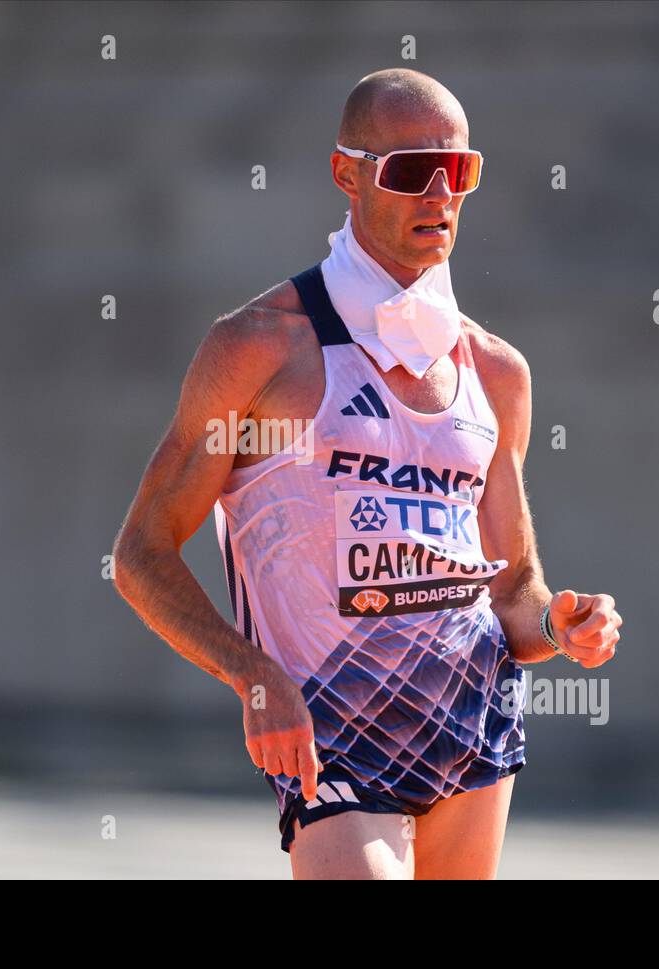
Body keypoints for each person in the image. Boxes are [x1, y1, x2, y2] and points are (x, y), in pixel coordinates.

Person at [113, 68, 622, 879]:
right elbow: (140, 553)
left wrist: (562, 623)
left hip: (471, 722)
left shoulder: (497, 371)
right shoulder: (259, 346)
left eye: (459, 171)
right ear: (345, 172)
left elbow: (513, 590)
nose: (440, 194)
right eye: (411, 171)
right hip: (332, 733)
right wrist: (252, 677)